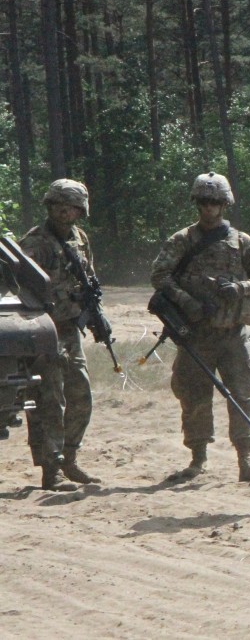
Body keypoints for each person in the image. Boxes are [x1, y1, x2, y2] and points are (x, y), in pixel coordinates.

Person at [149, 172, 250, 483]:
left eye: (215, 202)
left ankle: (247, 457)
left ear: (225, 204)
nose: (209, 208)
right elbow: (161, 276)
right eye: (204, 201)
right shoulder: (181, 240)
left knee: (241, 396)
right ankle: (198, 459)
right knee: (194, 397)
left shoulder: (242, 241)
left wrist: (240, 288)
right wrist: (186, 301)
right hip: (196, 335)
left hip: (232, 335)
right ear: (196, 203)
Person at [19, 179, 101, 491]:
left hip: (69, 329)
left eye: (71, 207)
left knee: (81, 394)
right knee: (49, 398)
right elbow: (22, 288)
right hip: (42, 331)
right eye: (58, 205)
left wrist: (91, 312)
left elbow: (89, 277)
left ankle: (70, 458)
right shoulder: (35, 242)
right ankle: (50, 469)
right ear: (50, 206)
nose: (64, 211)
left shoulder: (80, 239)